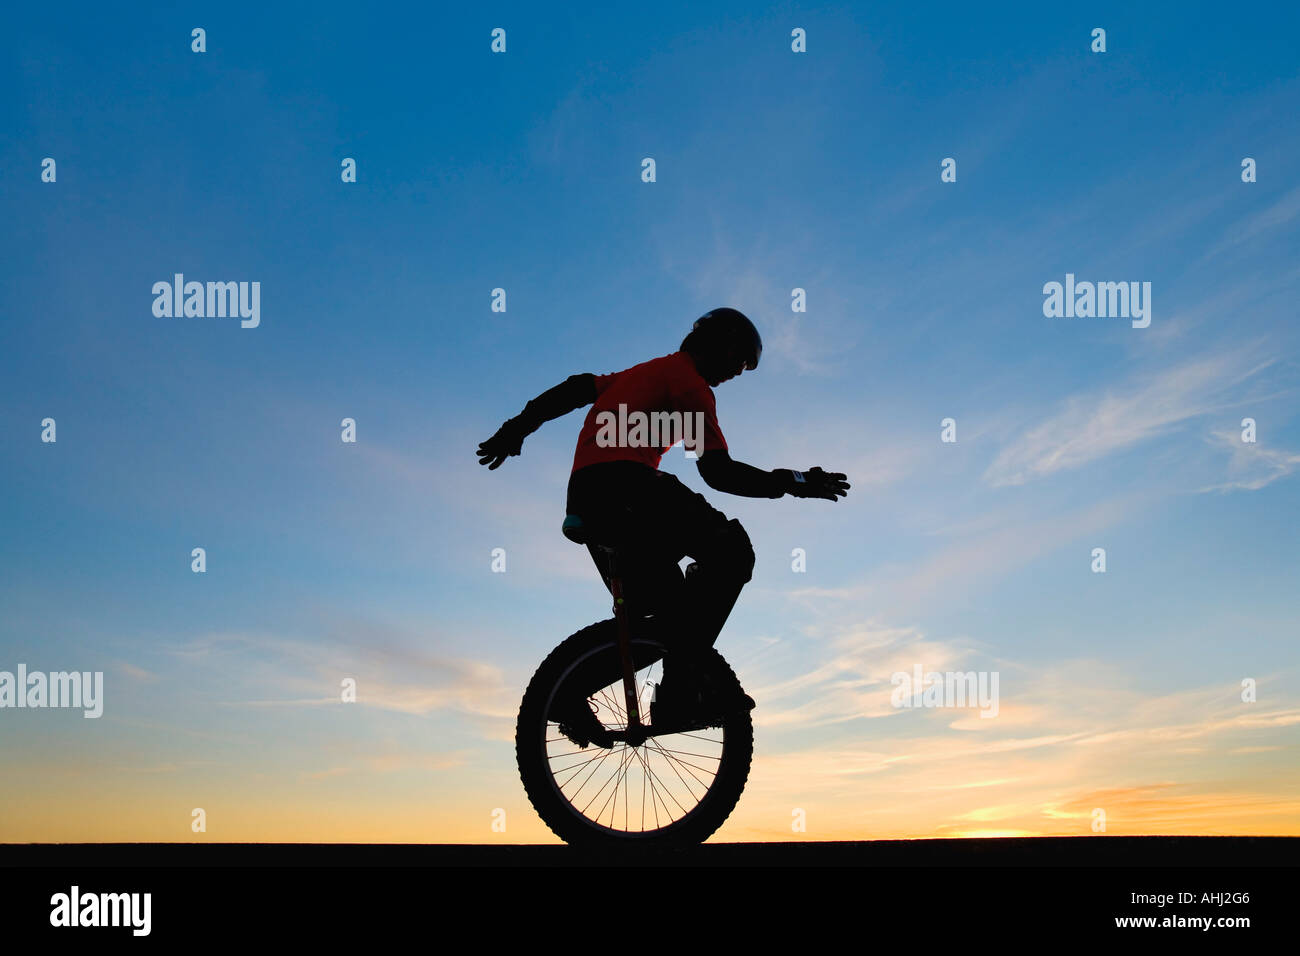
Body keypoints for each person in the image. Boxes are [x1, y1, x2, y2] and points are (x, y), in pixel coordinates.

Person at [476, 307, 849, 746]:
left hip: (589, 500)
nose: (738, 372)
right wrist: (794, 482)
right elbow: (718, 472)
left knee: (660, 625)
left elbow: (578, 387)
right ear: (716, 343)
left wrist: (518, 426)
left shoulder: (645, 373)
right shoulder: (689, 383)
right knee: (732, 551)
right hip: (627, 488)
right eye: (739, 359)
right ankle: (679, 695)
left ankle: (568, 693)